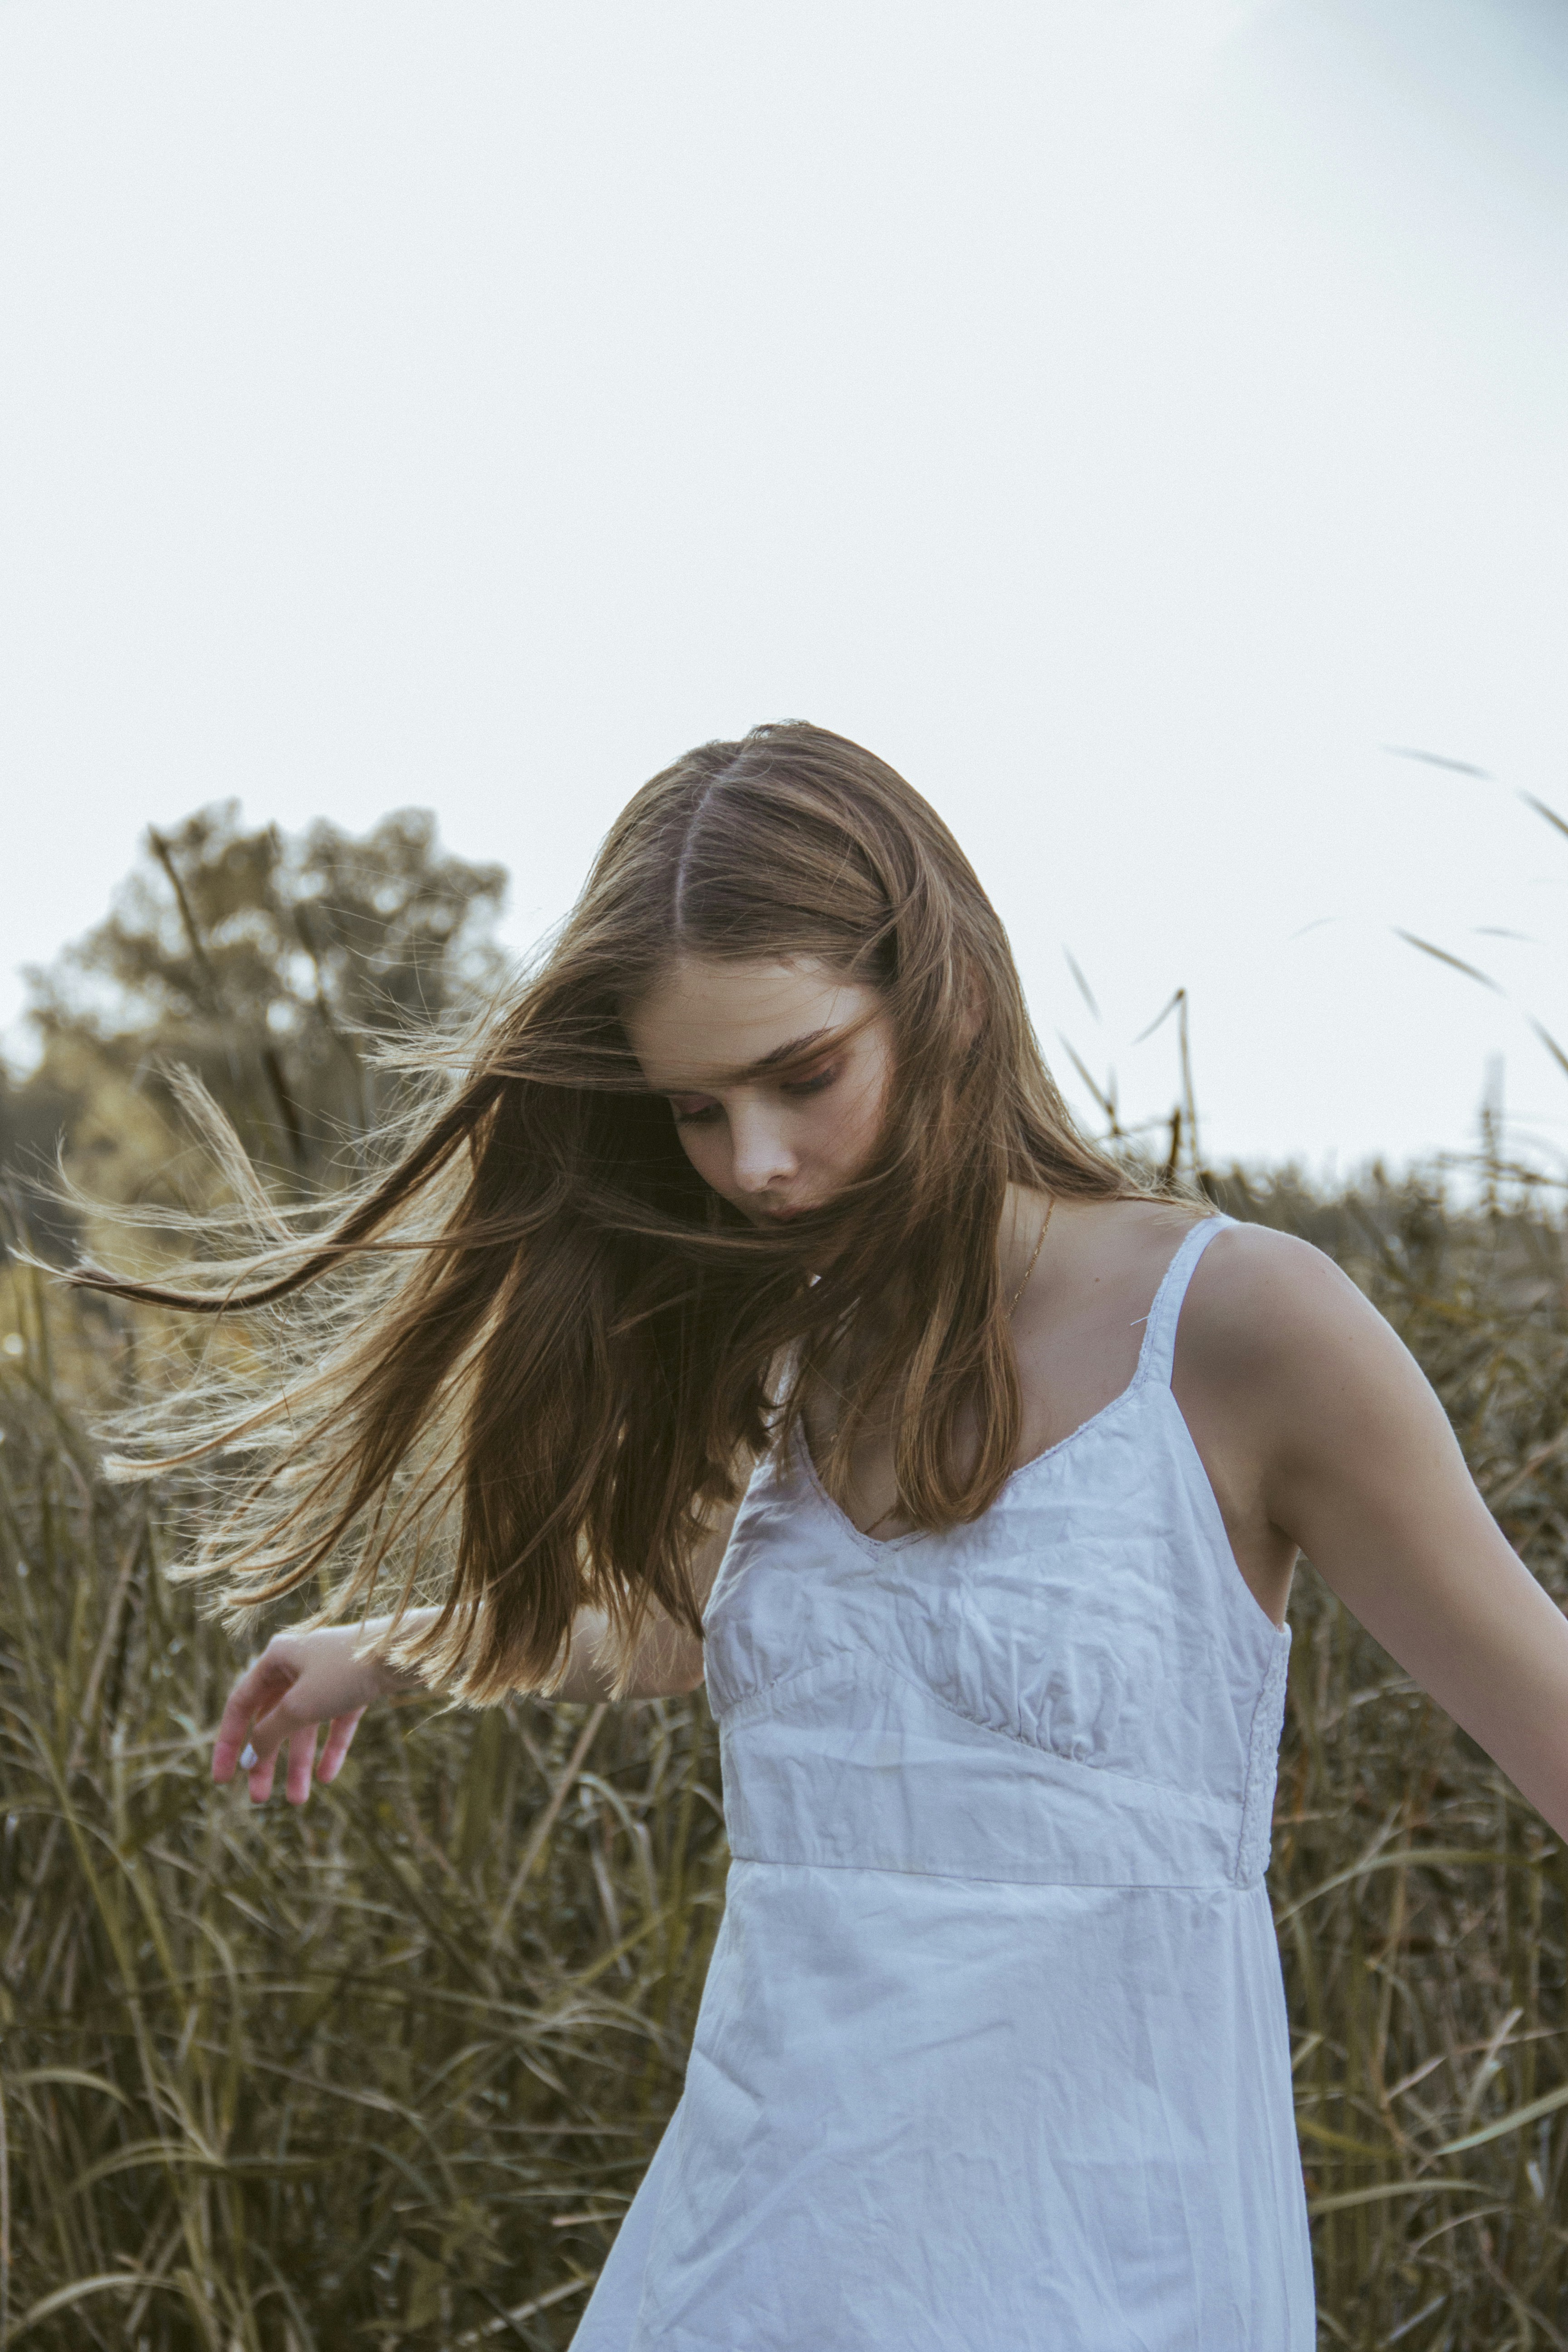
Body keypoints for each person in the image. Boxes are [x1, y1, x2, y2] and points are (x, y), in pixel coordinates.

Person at [79, 723, 1568, 2350]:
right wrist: (395, 1647)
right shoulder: (783, 1349)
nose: (758, 1166)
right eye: (698, 1112)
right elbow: (684, 1630)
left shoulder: (1242, 1327)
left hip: (1111, 2258)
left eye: (802, 1078)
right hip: (757, 2251)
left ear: (953, 1002)